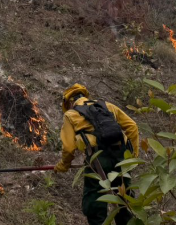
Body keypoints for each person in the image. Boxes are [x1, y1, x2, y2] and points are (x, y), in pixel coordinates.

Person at [54, 84, 139, 225]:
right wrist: (132, 156)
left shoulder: (71, 114)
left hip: (97, 160)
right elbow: (132, 127)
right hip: (121, 157)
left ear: (68, 102)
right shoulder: (107, 106)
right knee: (125, 201)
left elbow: (69, 148)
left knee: (95, 205)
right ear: (85, 95)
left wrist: (63, 165)